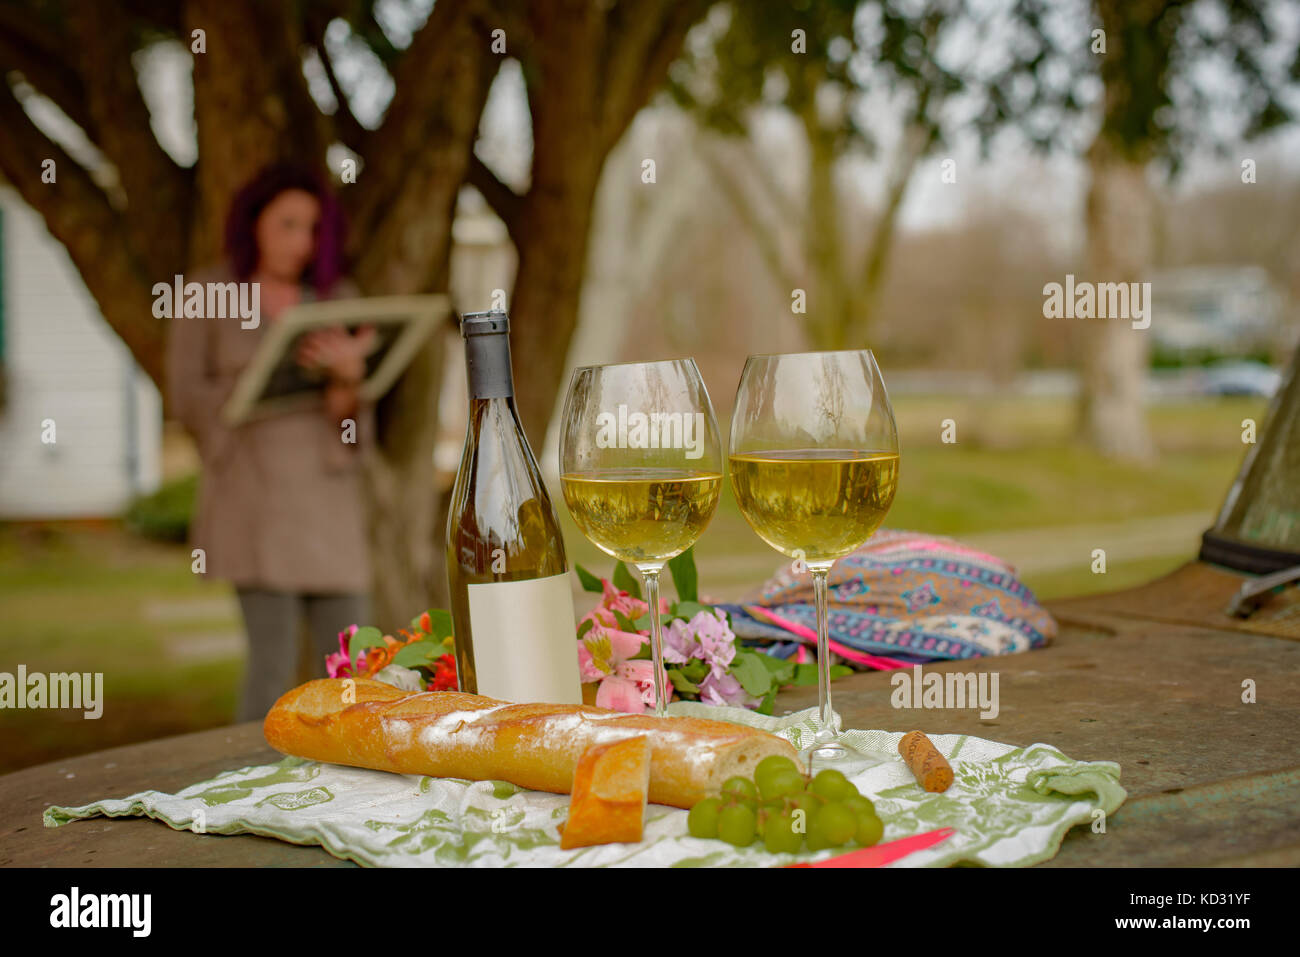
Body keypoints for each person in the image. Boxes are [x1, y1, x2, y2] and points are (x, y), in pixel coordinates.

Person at [166, 162, 375, 723]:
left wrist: (347, 379)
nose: (301, 242)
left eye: (312, 229)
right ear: (253, 223)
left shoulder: (338, 299)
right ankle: (249, 789)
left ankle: (353, 787)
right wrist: (257, 380)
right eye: (287, 224)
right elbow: (184, 395)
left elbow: (353, 428)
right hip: (252, 501)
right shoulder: (205, 293)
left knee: (355, 665)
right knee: (271, 664)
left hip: (327, 505)